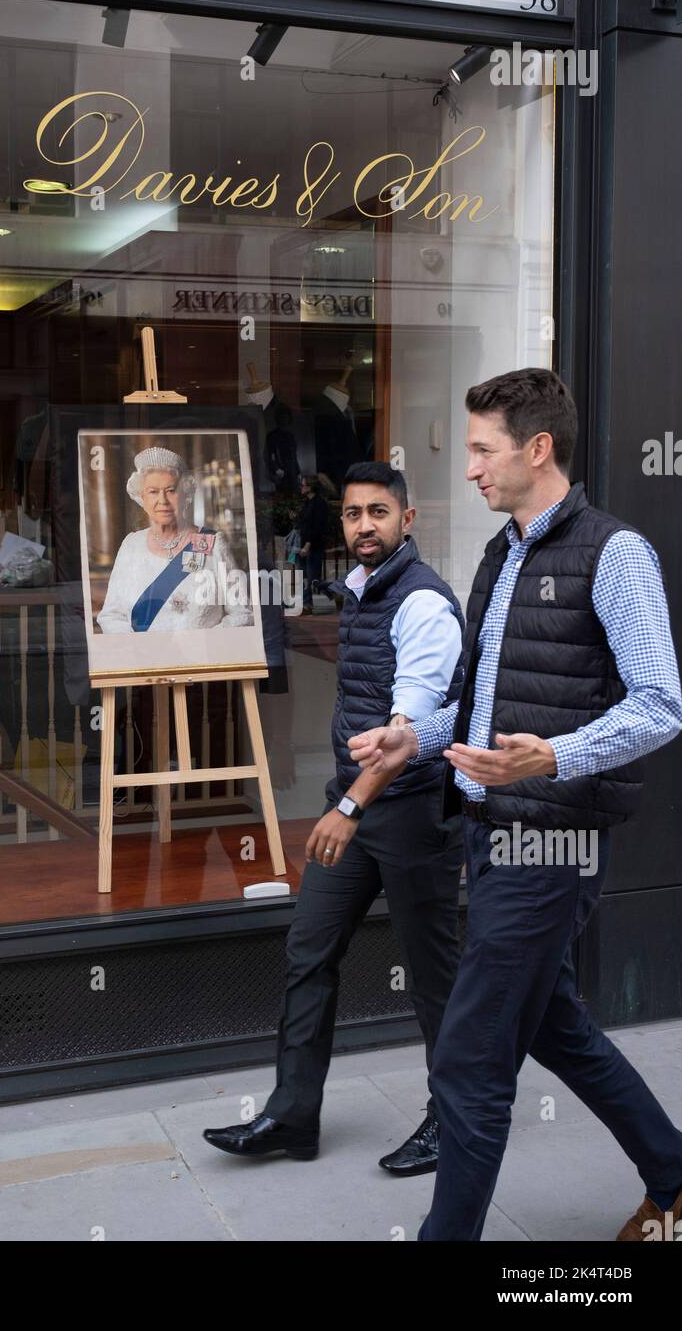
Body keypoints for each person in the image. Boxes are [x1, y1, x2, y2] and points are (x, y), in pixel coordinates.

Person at [349, 368, 682, 1241]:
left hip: (555, 843)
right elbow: (478, 699)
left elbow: (661, 703)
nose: (470, 469)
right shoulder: (504, 551)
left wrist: (554, 757)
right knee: (557, 1027)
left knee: (468, 1055)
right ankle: (677, 1178)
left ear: (537, 450)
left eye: (481, 450)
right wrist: (412, 739)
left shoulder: (616, 554)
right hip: (493, 834)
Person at [202, 461, 466, 1172]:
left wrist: (349, 805)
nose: (364, 526)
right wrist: (347, 802)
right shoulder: (356, 591)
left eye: (379, 513)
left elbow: (408, 733)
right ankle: (293, 1117)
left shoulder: (423, 605)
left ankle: (455, 1122)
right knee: (308, 952)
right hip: (354, 807)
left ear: (408, 520)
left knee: (432, 975)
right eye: (353, 514)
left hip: (410, 814)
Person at [97, 446, 252, 633]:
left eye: (171, 490)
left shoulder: (213, 543)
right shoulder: (131, 545)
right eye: (153, 491)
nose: (162, 500)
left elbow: (242, 614)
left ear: (185, 495)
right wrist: (138, 650)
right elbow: (111, 616)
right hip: (146, 659)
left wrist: (204, 646)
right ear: (142, 497)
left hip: (202, 659)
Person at [294, 474, 329, 613]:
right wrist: (296, 517)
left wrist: (308, 545)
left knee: (313, 577)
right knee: (304, 576)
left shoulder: (319, 503)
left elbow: (317, 527)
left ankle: (334, 592)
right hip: (303, 544)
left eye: (303, 485)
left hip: (313, 545)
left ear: (310, 487)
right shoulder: (307, 502)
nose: (301, 487)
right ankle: (306, 604)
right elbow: (305, 524)